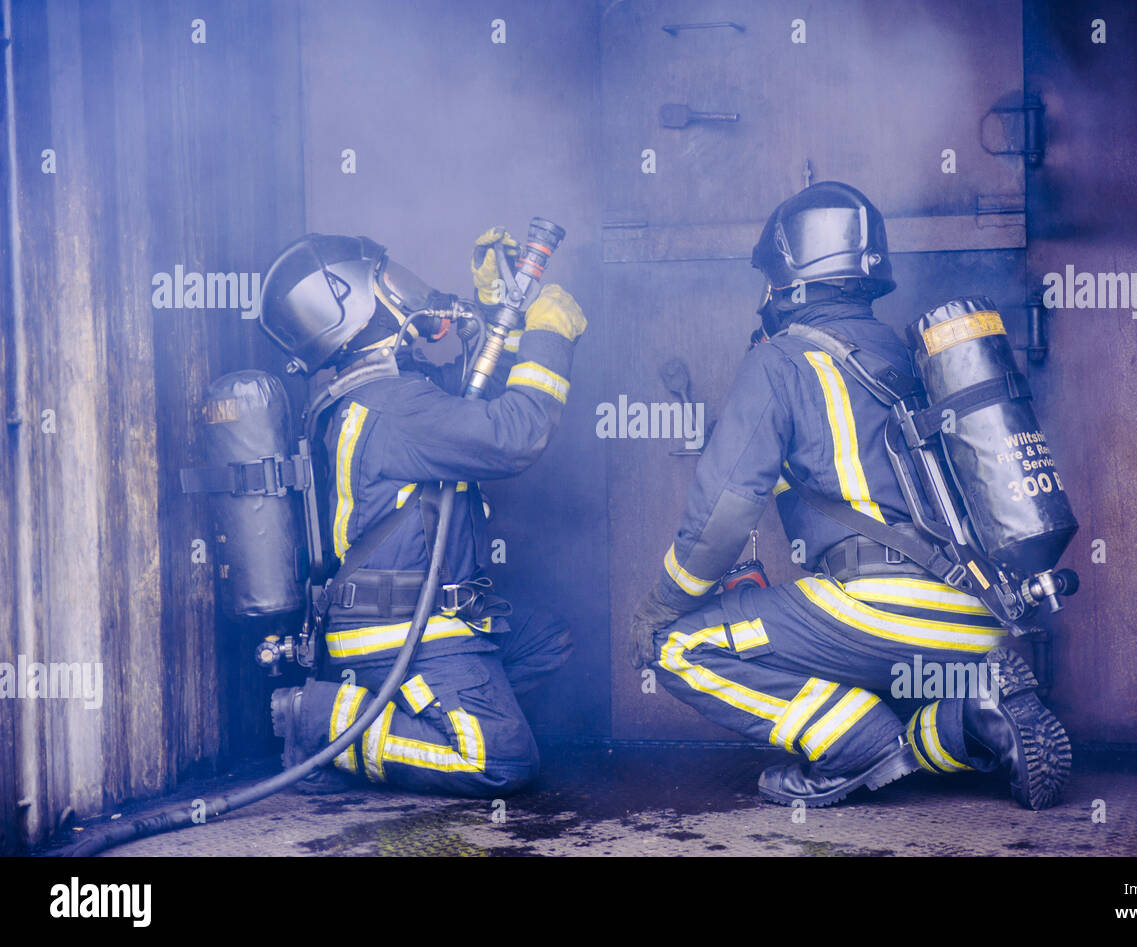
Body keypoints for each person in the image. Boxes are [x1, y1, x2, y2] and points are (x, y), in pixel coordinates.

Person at [628, 181, 1071, 809]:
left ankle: (857, 744)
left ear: (786, 277)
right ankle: (974, 713)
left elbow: (723, 512)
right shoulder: (913, 358)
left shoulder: (780, 362)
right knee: (888, 694)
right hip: (982, 613)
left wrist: (660, 604)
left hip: (881, 610)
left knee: (679, 648)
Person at [259, 228, 585, 796]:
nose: (403, 287)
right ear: (356, 301)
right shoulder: (396, 407)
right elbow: (513, 435)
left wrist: (493, 309)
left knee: (546, 639)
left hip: (406, 615)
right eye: (387, 277)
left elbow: (467, 412)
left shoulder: (370, 394)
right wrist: (549, 335)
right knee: (501, 762)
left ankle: (429, 713)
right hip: (401, 628)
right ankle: (319, 722)